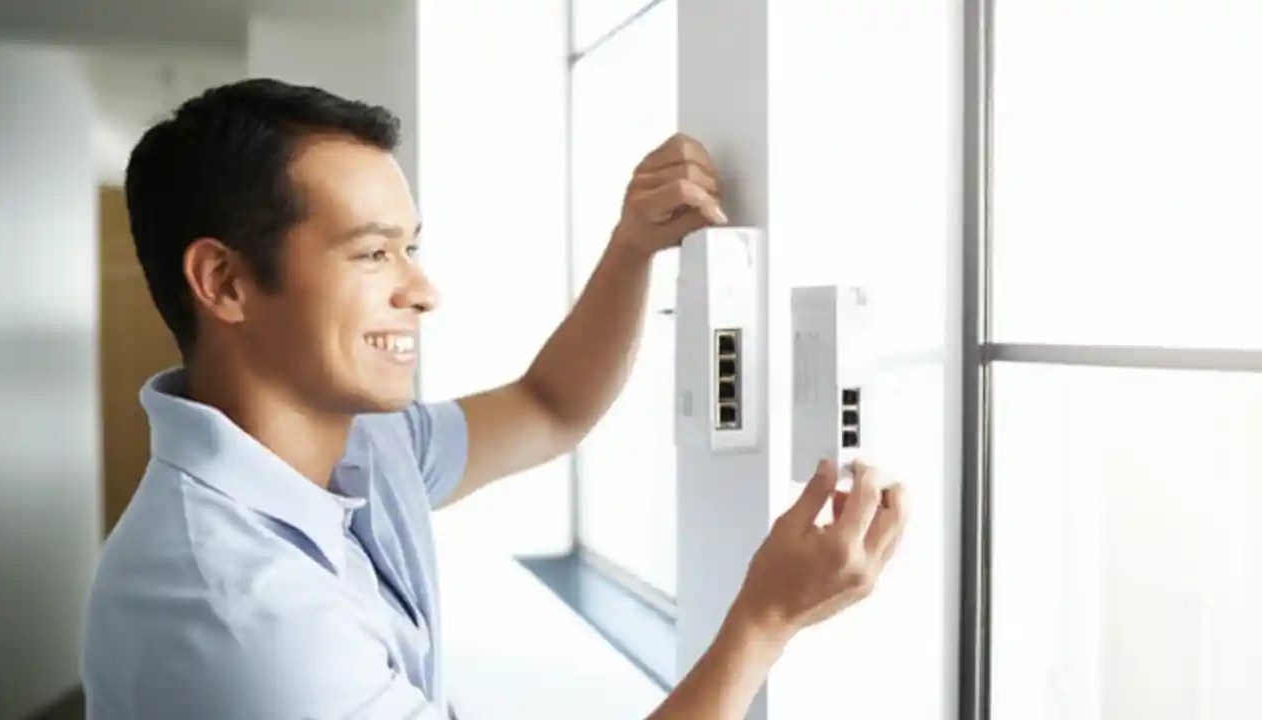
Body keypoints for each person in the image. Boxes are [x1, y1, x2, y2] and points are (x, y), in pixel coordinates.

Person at [82, 78, 907, 720]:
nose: (423, 289)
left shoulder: (366, 448)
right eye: (373, 255)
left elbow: (551, 406)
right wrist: (765, 620)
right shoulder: (230, 606)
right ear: (225, 282)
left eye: (411, 247)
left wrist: (632, 247)